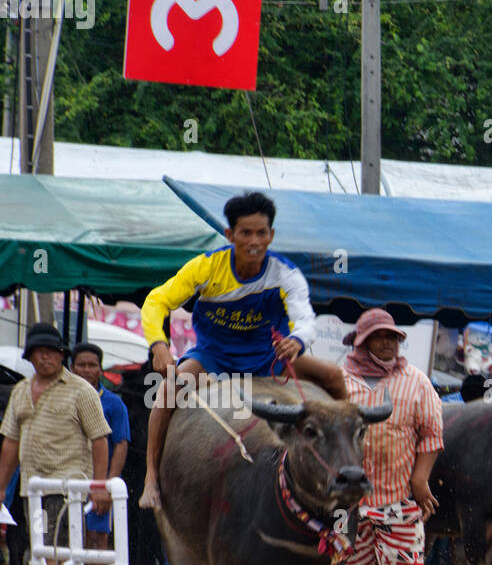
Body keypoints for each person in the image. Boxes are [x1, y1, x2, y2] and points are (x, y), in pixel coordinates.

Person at [138, 191, 348, 509]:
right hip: (213, 356)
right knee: (170, 387)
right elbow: (156, 301)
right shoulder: (206, 267)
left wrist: (298, 340)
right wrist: (158, 343)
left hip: (269, 357)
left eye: (261, 233)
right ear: (230, 234)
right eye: (245, 233)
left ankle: (354, 454)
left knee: (333, 376)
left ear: (271, 235)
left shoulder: (286, 274)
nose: (254, 240)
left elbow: (305, 318)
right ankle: (151, 477)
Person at [332, 309, 444, 565]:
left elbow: (432, 435)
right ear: (362, 342)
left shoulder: (417, 381)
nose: (388, 343)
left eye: (393, 337)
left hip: (398, 497)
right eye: (379, 337)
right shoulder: (341, 381)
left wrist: (420, 478)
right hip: (349, 500)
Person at [0, 323, 111, 565]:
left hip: (67, 484)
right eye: (39, 352)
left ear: (61, 356)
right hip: (32, 487)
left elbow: (100, 438)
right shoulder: (20, 391)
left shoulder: (81, 391)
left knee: (54, 551)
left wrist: (99, 486)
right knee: (39, 549)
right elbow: (10, 441)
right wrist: (0, 487)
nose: (46, 358)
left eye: (52, 352)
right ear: (30, 356)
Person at [70, 343, 131, 565]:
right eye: (81, 364)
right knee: (68, 541)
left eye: (92, 365)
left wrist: (108, 485)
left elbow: (120, 444)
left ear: (100, 369)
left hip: (98, 484)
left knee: (98, 541)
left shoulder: (113, 403)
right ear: (71, 367)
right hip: (68, 480)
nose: (86, 370)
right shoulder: (62, 398)